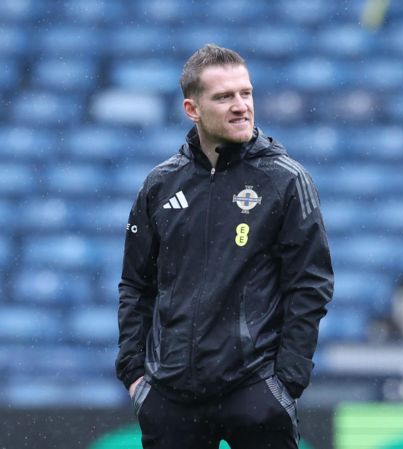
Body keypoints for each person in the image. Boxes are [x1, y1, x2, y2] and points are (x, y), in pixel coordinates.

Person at [116, 44, 334, 449]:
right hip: (170, 397)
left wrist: (287, 381)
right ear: (192, 109)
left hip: (253, 391)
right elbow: (135, 284)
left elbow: (310, 285)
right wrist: (134, 373)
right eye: (224, 97)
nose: (240, 106)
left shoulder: (286, 180)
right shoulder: (160, 185)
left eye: (245, 93)